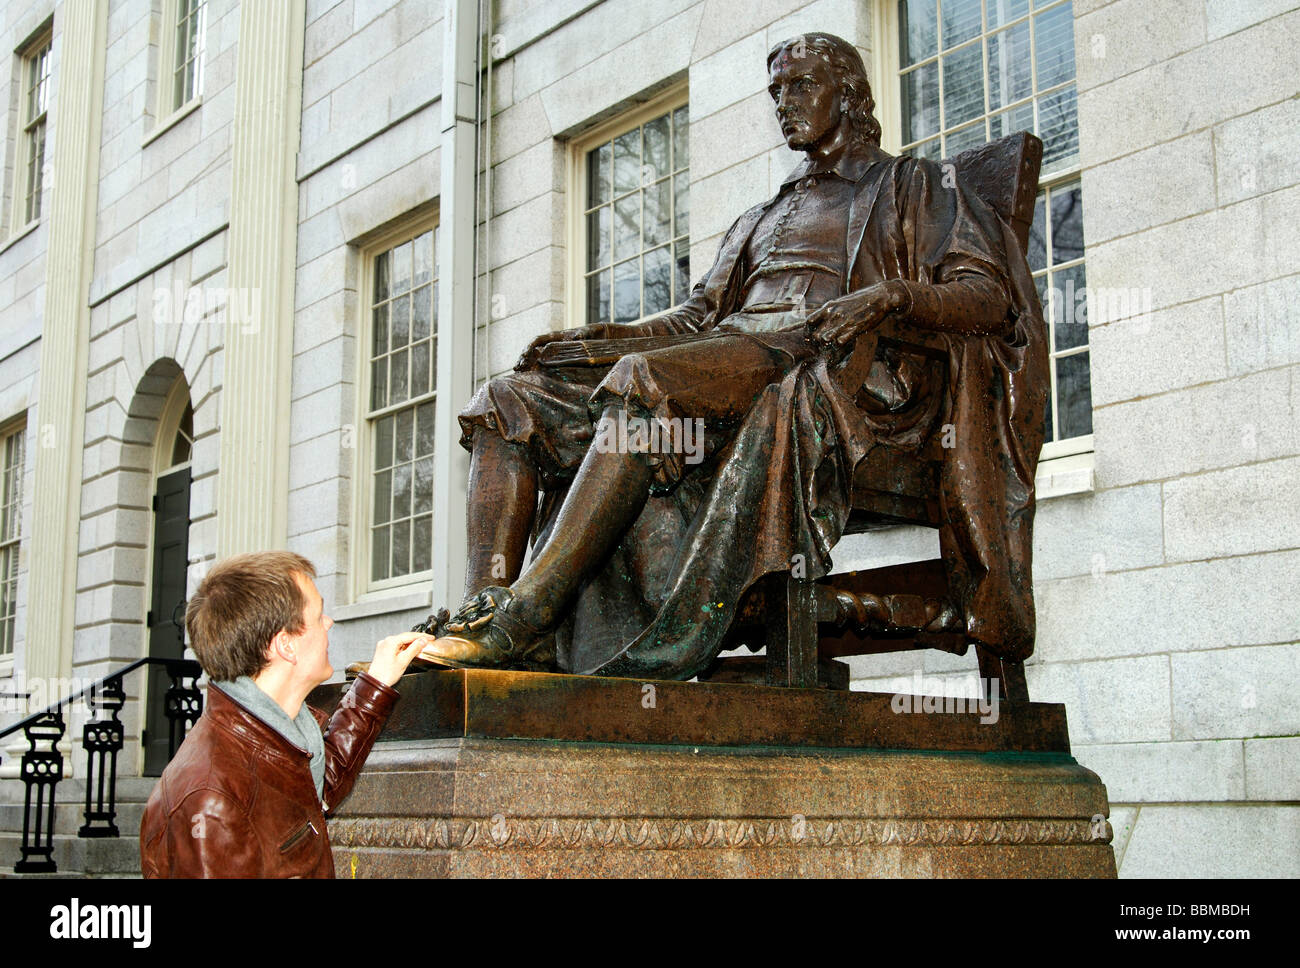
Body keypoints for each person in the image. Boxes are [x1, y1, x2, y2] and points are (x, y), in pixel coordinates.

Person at [412, 32, 1046, 680]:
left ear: (850, 93)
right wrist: (606, 336)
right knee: (505, 400)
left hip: (826, 360)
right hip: (726, 355)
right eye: (776, 91)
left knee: (644, 385)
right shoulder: (760, 216)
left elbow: (989, 297)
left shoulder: (913, 185)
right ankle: (479, 617)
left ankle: (528, 616)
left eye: (800, 86)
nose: (783, 102)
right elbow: (695, 315)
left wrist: (890, 296)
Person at [139, 551, 431, 878]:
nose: (329, 623)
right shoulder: (211, 801)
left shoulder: (273, 735)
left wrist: (375, 683)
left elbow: (317, 784)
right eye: (319, 616)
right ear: (286, 645)